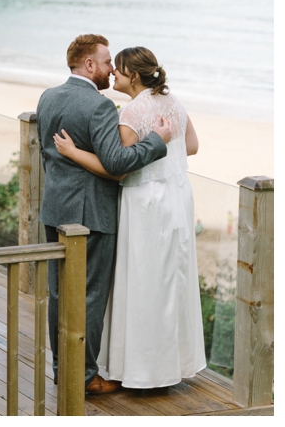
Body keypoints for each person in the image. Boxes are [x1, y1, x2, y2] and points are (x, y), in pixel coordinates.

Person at [53, 46, 206, 389]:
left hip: (146, 201)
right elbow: (192, 145)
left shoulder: (132, 112)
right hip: (179, 195)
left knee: (143, 283)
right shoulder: (172, 100)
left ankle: (142, 373)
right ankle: (172, 368)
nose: (113, 75)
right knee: (172, 281)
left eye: (118, 71)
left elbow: (118, 169)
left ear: (133, 76)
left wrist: (73, 152)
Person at [36, 34, 172, 395]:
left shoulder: (48, 96)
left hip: (55, 207)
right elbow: (117, 163)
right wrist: (156, 141)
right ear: (90, 64)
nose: (112, 68)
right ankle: (83, 379)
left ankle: (61, 371)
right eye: (108, 61)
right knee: (89, 295)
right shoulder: (98, 107)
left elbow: (47, 154)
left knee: (60, 294)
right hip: (91, 213)